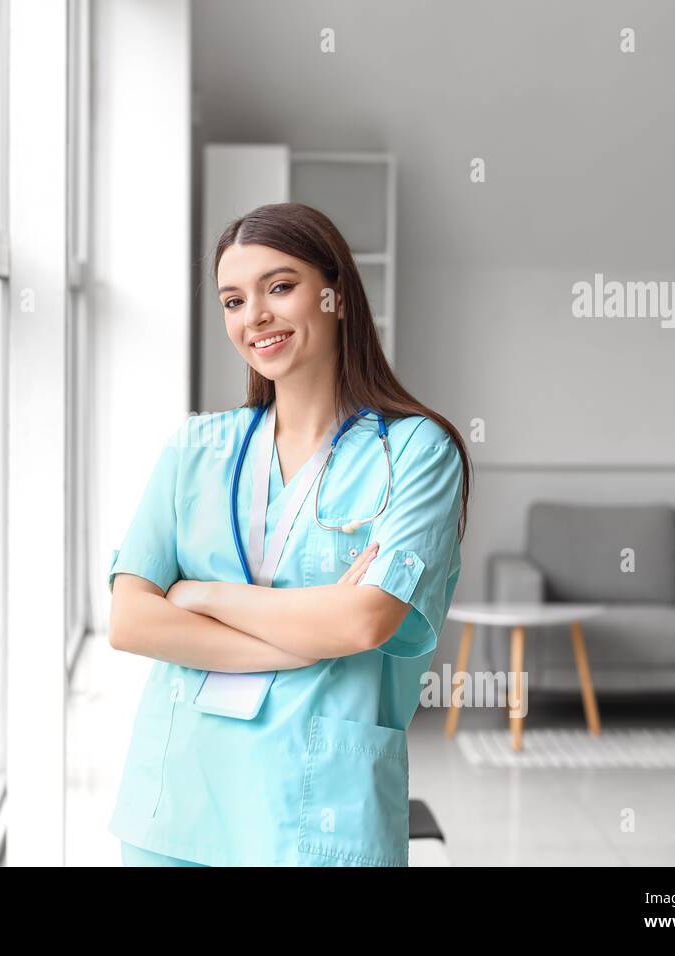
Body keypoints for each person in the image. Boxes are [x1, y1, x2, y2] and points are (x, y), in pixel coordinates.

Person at [106, 201, 471, 867]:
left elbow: (362, 624)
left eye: (280, 287)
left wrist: (198, 595)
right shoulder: (195, 447)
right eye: (233, 300)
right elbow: (131, 621)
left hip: (316, 810)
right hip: (177, 805)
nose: (255, 317)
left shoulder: (419, 452)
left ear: (337, 294)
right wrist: (306, 639)